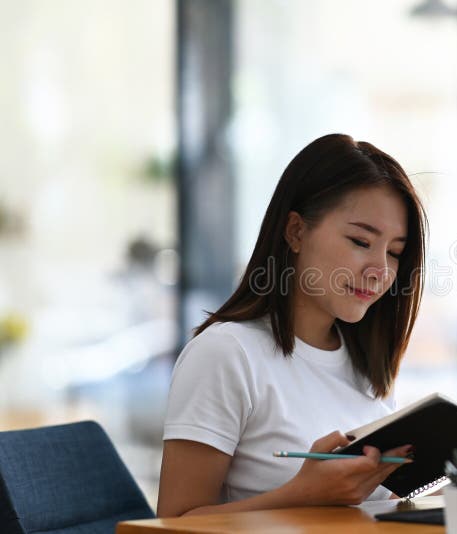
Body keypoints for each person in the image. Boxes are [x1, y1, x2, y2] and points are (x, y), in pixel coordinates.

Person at [157, 134, 427, 516]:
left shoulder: (365, 363)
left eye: (395, 252)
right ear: (296, 232)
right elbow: (171, 523)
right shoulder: (227, 354)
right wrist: (303, 493)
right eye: (360, 241)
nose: (381, 270)